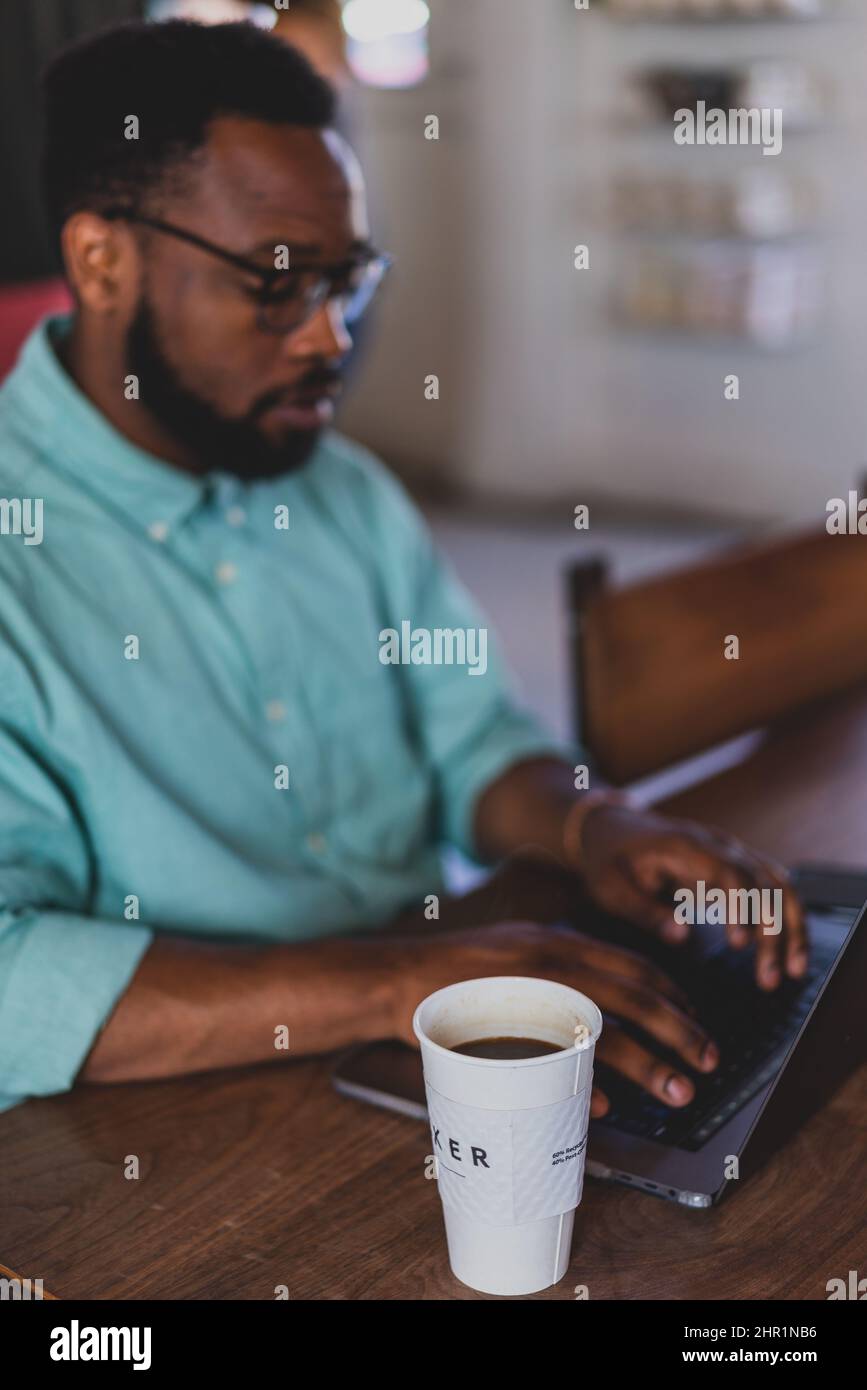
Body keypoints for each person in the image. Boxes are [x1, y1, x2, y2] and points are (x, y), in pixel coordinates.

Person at [0, 20, 806, 1119]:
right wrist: (393, 983)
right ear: (101, 261)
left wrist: (590, 823)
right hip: (172, 1130)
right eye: (278, 283)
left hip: (422, 1048)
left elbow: (473, 740)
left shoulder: (343, 490)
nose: (331, 339)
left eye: (349, 281)